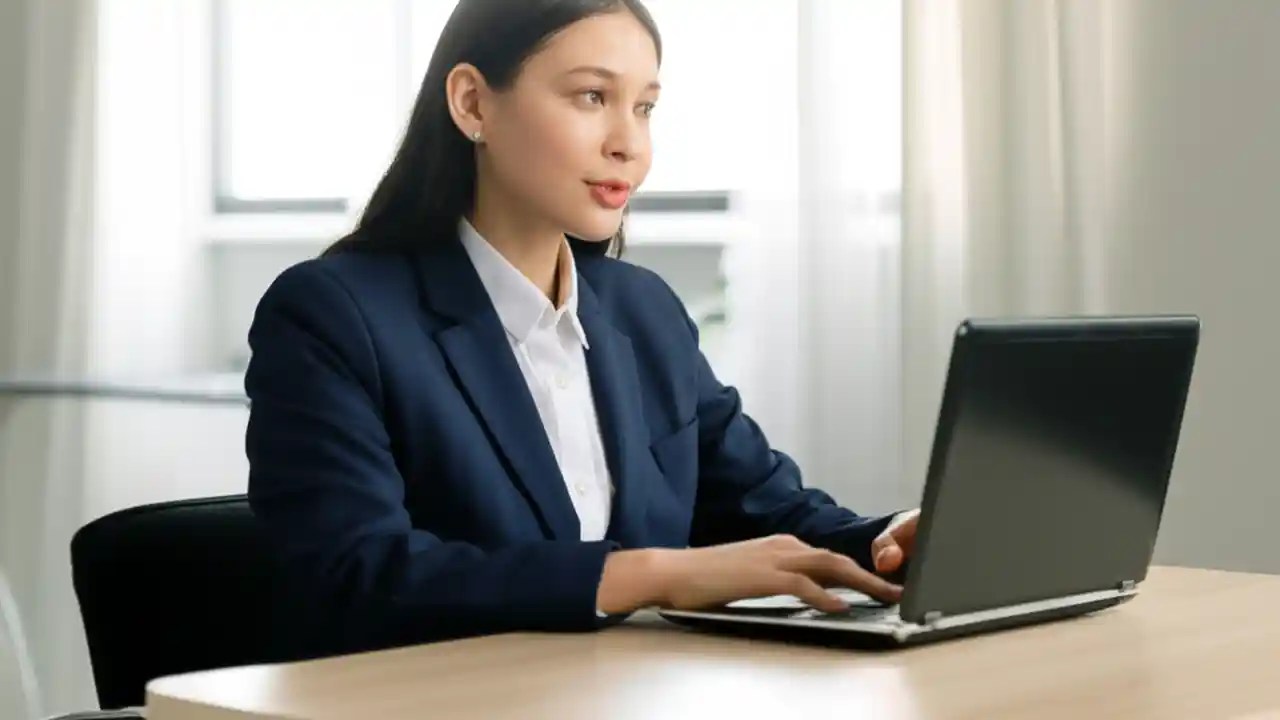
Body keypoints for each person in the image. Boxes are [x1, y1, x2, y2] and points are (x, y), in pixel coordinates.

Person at [246, 0, 920, 655]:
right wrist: (651, 576)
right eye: (592, 97)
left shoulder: (643, 312)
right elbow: (355, 576)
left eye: (645, 107)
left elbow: (773, 516)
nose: (629, 144)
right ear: (473, 104)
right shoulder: (333, 315)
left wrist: (892, 543)